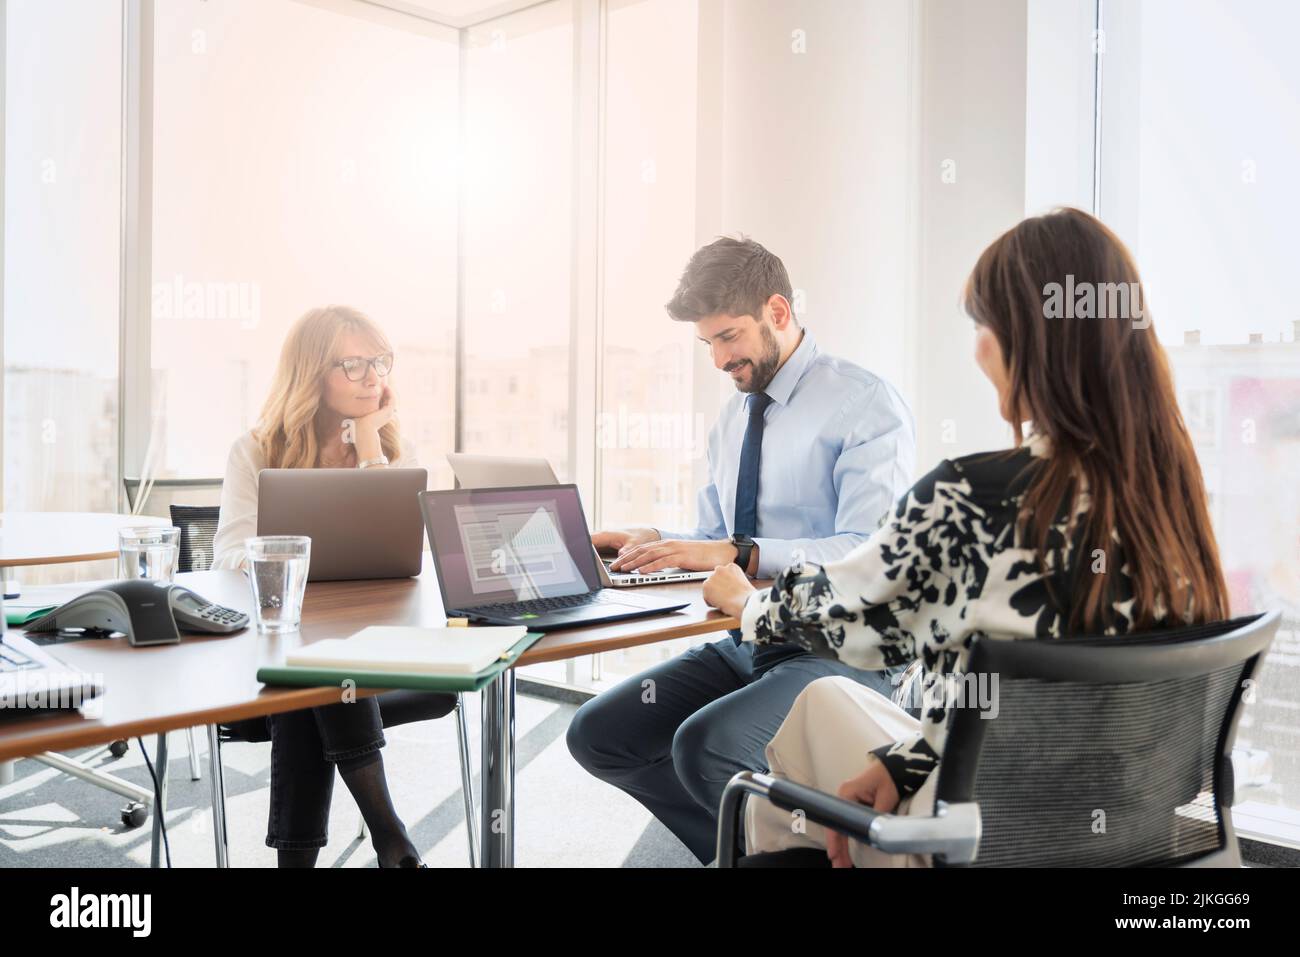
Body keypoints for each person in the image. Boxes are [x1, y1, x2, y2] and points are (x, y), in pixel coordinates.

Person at [702, 208, 1231, 867]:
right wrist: (910, 759)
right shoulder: (1174, 500)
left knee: (785, 765)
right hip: (1126, 833)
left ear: (1033, 339)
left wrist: (747, 602)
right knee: (827, 704)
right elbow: (1050, 704)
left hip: (980, 837)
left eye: (987, 326)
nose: (978, 348)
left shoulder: (974, 495)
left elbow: (858, 617)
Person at [566, 237, 916, 862]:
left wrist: (742, 553)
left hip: (842, 649)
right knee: (601, 734)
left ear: (778, 312)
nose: (720, 359)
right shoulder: (733, 419)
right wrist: (656, 541)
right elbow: (715, 539)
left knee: (703, 746)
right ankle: (746, 854)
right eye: (708, 345)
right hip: (748, 640)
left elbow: (869, 551)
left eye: (729, 337)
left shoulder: (864, 404)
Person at [213, 305, 450, 868]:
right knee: (314, 679)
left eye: (380, 362)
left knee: (310, 686)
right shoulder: (255, 450)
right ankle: (389, 831)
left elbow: (409, 554)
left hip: (386, 654)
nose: (374, 377)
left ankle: (324, 856)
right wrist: (283, 566)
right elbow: (227, 555)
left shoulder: (395, 453)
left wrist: (370, 449)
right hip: (275, 658)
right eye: (353, 364)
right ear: (311, 373)